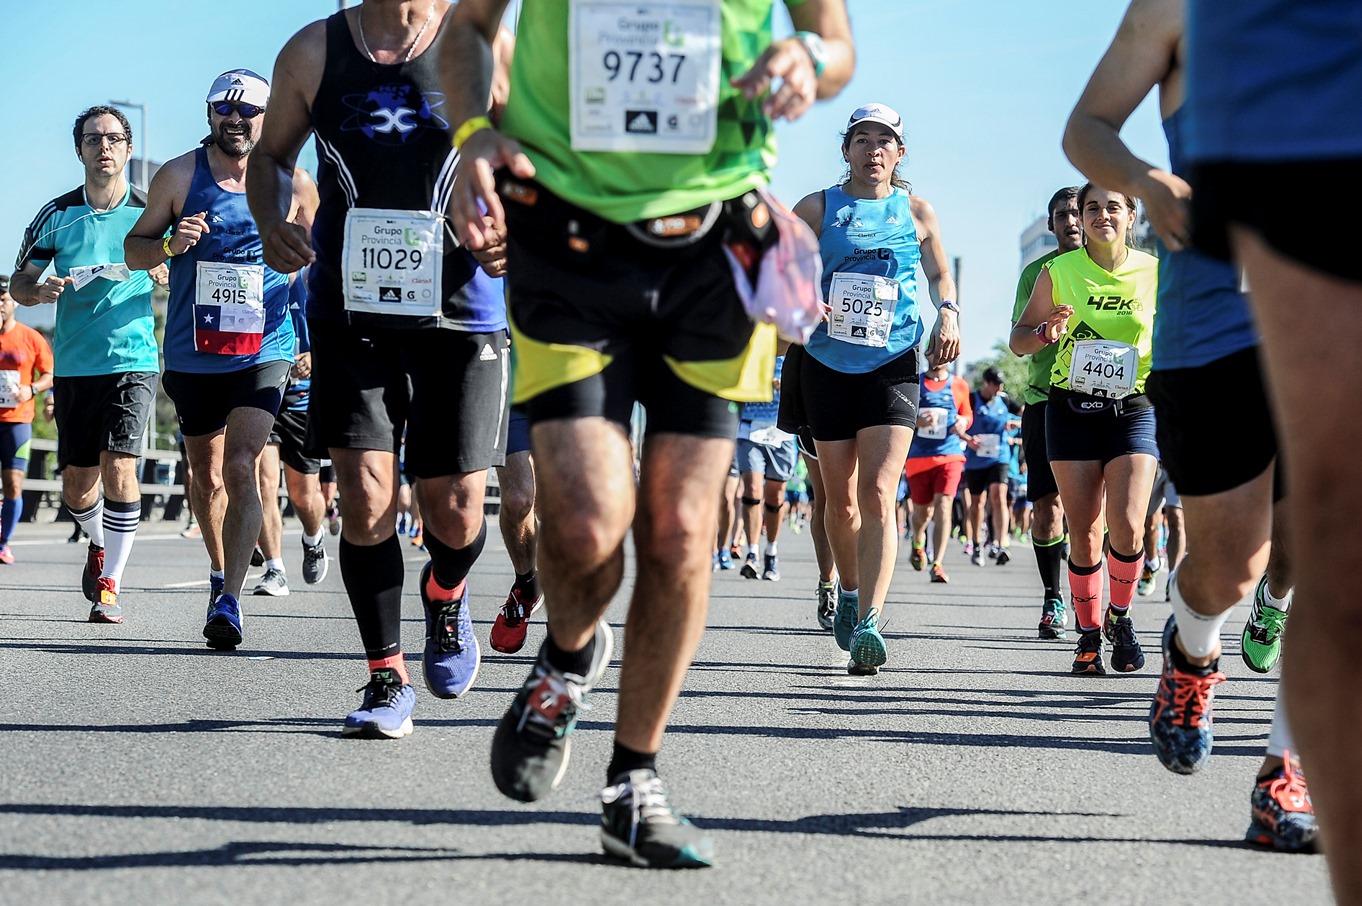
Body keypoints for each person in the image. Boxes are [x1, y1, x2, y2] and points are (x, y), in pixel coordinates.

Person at [442, 0, 853, 868]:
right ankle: (566, 658)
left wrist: (807, 58)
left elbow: (836, 42)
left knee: (678, 534)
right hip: (566, 238)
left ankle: (633, 782)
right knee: (588, 524)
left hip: (714, 248)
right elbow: (468, 25)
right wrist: (474, 129)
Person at [1063, 0, 1318, 854]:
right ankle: (1192, 650)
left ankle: (1288, 772)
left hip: (1334, 316)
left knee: (1329, 548)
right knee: (1231, 564)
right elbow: (1088, 126)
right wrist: (1145, 182)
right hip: (1217, 323)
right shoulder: (1178, 7)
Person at [250, 1, 512, 736]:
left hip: (462, 307)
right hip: (349, 307)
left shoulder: (485, 42)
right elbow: (272, 158)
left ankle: (446, 592)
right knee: (365, 500)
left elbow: (544, 160)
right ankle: (384, 678)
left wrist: (514, 225)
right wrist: (274, 220)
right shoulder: (313, 50)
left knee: (455, 509)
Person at [126, 71, 313, 649]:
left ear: (268, 114)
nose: (236, 119)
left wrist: (307, 330)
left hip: (265, 346)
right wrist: (168, 245)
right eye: (223, 109)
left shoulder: (296, 184)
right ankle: (218, 571)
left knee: (242, 464)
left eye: (249, 110)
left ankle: (230, 600)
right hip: (194, 351)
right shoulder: (180, 176)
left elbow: (314, 268)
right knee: (205, 476)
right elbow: (135, 251)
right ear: (209, 114)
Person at [793, 103, 961, 675]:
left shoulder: (916, 210)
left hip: (893, 362)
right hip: (826, 362)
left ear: (899, 152)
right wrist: (798, 299)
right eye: (861, 139)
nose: (873, 150)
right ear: (846, 150)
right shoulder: (817, 208)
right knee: (838, 501)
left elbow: (940, 274)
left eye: (884, 140)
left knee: (879, 493)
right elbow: (779, 264)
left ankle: (869, 618)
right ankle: (847, 590)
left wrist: (950, 314)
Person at [10, 105, 163, 624]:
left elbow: (183, 262)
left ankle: (111, 584)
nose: (104, 148)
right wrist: (38, 289)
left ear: (127, 146)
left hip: (134, 358)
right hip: (75, 366)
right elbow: (18, 285)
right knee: (77, 482)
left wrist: (168, 274)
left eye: (114, 139)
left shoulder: (149, 210)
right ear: (79, 150)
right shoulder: (57, 215)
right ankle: (98, 542)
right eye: (93, 139)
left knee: (119, 464)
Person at [1010, 183, 1158, 676]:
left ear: (1131, 216)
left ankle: (1122, 615)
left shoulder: (1155, 272)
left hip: (1134, 408)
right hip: (1071, 408)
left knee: (1130, 522)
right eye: (1091, 208)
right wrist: (1044, 332)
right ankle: (1089, 634)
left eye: (1112, 207)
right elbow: (1019, 342)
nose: (1101, 216)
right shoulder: (1058, 271)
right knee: (1086, 530)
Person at [1010, 187, 1081, 637]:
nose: (1072, 221)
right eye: (1062, 215)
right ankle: (1054, 597)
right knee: (1047, 507)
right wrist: (1045, 330)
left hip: (1112, 401)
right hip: (1044, 399)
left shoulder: (1118, 267)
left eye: (1079, 212)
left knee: (1106, 513)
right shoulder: (1038, 273)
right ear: (1051, 225)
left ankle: (1100, 599)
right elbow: (1019, 343)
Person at [254, 273, 331, 595]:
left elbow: (337, 330)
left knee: (303, 494)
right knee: (262, 483)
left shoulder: (314, 277)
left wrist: (315, 357)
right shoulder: (251, 274)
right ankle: (275, 569)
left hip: (304, 400)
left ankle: (313, 538)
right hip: (261, 390)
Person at [0, 276, 55, 563]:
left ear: (14, 304)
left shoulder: (31, 337)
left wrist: (31, 389)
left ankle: (3, 543)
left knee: (13, 484)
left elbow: (49, 375)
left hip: (17, 420)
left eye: (4, 299)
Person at [904, 360, 972, 584]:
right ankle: (917, 542)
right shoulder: (916, 382)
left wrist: (963, 422)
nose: (939, 356)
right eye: (934, 351)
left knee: (944, 505)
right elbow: (901, 413)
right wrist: (916, 421)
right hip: (919, 458)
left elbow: (967, 415)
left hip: (950, 455)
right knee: (922, 513)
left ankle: (937, 563)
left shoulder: (959, 384)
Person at [734, 354, 797, 582]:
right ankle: (752, 552)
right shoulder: (751, 345)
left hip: (782, 430)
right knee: (752, 490)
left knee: (775, 494)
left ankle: (771, 550)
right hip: (750, 426)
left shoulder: (793, 345)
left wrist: (787, 385)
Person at [488, 409, 544, 654]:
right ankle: (527, 587)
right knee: (518, 499)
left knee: (558, 504)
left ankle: (566, 608)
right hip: (513, 389)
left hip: (565, 380)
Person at [960, 368, 1015, 567]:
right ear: (986, 383)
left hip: (999, 457)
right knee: (977, 503)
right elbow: (958, 421)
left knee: (999, 496)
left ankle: (1001, 544)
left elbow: (1023, 413)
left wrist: (1013, 424)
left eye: (1001, 385)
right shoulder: (972, 399)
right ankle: (976, 543)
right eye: (996, 384)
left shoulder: (1005, 400)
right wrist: (968, 439)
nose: (999, 388)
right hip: (976, 459)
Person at [1137, 463, 1183, 597]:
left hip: (1177, 459)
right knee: (1148, 524)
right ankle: (1153, 564)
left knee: (1176, 519)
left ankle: (1173, 579)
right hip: (1153, 461)